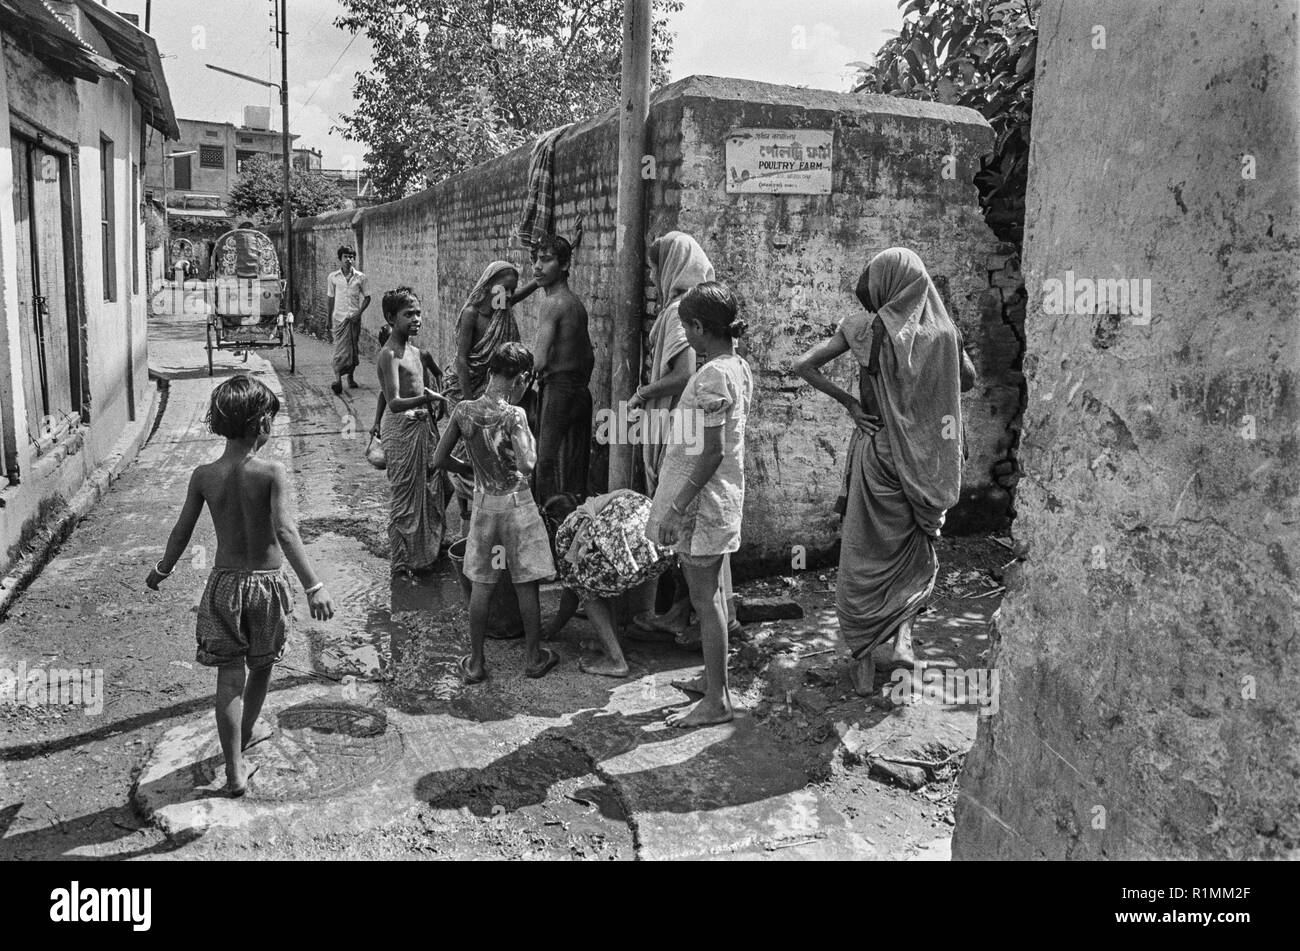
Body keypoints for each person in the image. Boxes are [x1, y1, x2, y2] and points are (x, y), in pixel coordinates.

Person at [792, 247, 975, 697]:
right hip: (929, 462)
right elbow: (966, 380)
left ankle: (861, 655)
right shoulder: (944, 333)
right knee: (915, 553)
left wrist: (853, 404)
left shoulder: (862, 329)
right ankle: (903, 642)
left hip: (880, 458)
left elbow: (804, 365)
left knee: (863, 555)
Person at [146, 376, 336, 796]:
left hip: (224, 587)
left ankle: (233, 772)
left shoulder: (203, 475)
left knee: (228, 678)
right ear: (261, 422)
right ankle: (247, 732)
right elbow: (286, 532)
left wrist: (162, 569)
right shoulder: (271, 472)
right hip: (266, 588)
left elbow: (181, 531)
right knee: (262, 665)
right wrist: (313, 585)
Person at [645, 282, 753, 727]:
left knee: (705, 600)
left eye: (685, 327)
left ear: (697, 327)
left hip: (702, 505)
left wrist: (675, 507)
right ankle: (713, 683)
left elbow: (711, 452)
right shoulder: (736, 366)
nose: (683, 337)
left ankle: (717, 700)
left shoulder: (711, 375)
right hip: (721, 499)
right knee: (712, 598)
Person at [628, 232, 739, 644]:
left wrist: (642, 394)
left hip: (684, 429)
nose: (654, 275)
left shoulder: (682, 313)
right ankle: (688, 613)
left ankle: (697, 618)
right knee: (698, 544)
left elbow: (683, 375)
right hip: (691, 433)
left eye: (655, 266)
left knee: (687, 533)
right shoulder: (703, 320)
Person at [432, 342, 559, 683]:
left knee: (482, 586)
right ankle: (533, 659)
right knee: (525, 584)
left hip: (484, 506)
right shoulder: (513, 415)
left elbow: (439, 460)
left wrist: (472, 469)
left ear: (490, 372)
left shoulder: (463, 411)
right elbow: (527, 464)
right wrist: (528, 433)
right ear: (522, 379)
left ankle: (475, 663)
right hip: (517, 505)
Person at [442, 261, 541, 519]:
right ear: (488, 286)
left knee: (492, 446)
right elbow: (461, 360)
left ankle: (478, 499)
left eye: (512, 290)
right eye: (504, 289)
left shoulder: (503, 308)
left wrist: (542, 276)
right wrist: (469, 400)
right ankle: (464, 504)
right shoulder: (471, 314)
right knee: (466, 444)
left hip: (491, 386)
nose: (509, 295)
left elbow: (526, 290)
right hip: (466, 386)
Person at [541, 490, 674, 677]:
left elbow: (572, 591)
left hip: (632, 543)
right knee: (600, 579)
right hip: (661, 544)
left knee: (585, 587)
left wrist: (554, 627)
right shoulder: (599, 507)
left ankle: (615, 660)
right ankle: (612, 644)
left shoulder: (567, 527)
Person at [376, 287, 449, 575]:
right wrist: (429, 399)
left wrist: (436, 396)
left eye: (418, 313)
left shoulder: (416, 351)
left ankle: (425, 553)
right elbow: (394, 402)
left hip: (423, 425)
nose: (416, 319)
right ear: (391, 318)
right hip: (402, 429)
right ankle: (401, 563)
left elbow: (417, 385)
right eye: (409, 314)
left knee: (438, 488)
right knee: (405, 501)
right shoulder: (389, 354)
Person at [530, 234, 595, 505]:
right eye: (535, 260)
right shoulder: (575, 303)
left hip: (559, 389)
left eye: (546, 260)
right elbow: (589, 356)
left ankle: (547, 527)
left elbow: (539, 361)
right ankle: (572, 522)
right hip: (579, 390)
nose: (537, 267)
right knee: (574, 464)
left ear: (565, 265)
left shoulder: (552, 303)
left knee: (544, 461)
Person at [327, 246, 371, 395]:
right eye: (346, 256)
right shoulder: (333, 277)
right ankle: (337, 379)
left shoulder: (361, 277)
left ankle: (350, 378)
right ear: (340, 258)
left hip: (354, 320)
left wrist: (359, 313)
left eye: (352, 257)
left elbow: (368, 297)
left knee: (352, 350)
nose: (349, 260)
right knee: (339, 351)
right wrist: (328, 319)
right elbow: (330, 299)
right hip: (339, 320)